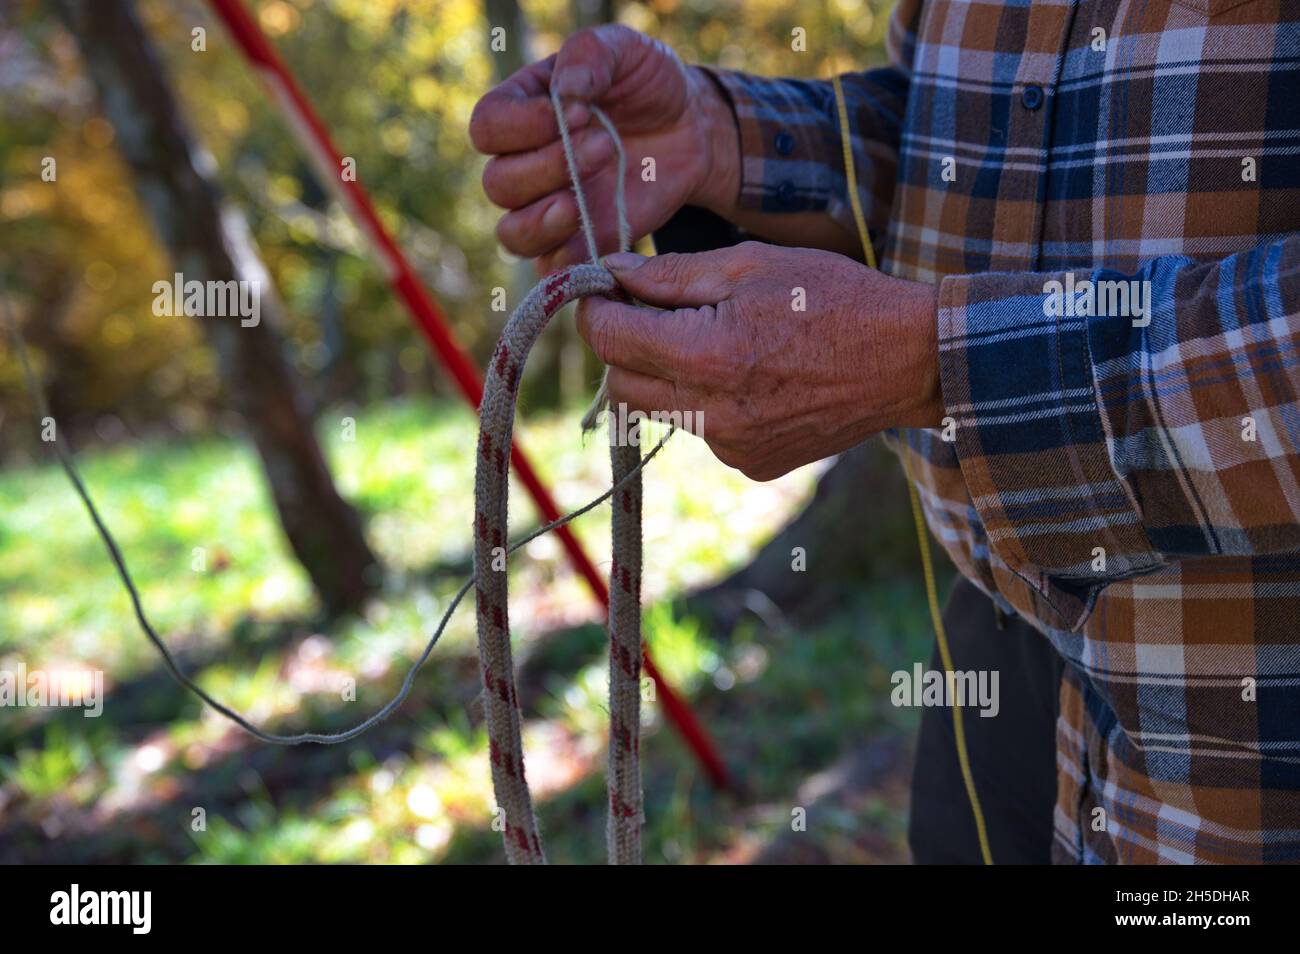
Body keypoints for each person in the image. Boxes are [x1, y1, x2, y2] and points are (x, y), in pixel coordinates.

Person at [469, 4, 1300, 864]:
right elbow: (967, 127)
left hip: (1242, 770)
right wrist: (724, 140)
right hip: (1001, 658)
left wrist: (939, 364)